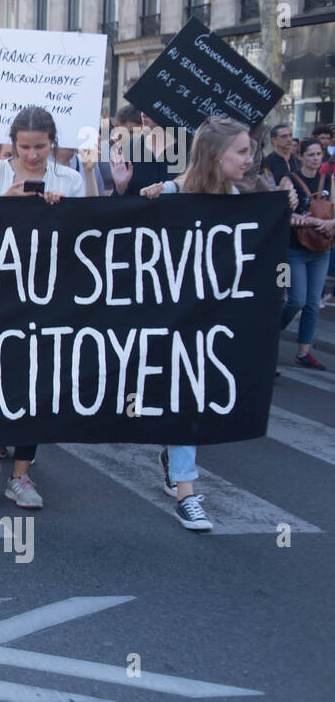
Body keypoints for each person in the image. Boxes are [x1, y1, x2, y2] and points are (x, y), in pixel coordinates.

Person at [0, 106, 99, 509]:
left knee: (38, 379)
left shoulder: (70, 178)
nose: (31, 155)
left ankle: (21, 474)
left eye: (40, 146)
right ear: (12, 144)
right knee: (0, 372)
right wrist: (2, 205)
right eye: (24, 147)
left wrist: (71, 203)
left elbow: (95, 226)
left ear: (52, 142)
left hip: (50, 292)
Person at [139, 118, 268, 531]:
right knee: (185, 398)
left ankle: (174, 462)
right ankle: (187, 493)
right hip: (175, 319)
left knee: (198, 398)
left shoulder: (245, 199)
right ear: (217, 156)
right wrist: (151, 197)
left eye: (250, 151)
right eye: (243, 152)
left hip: (219, 320)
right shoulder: (174, 194)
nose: (250, 160)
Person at [279, 137, 335, 369]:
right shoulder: (289, 179)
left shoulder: (329, 180)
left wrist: (331, 224)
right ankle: (269, 331)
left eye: (318, 154)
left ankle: (304, 352)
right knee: (296, 299)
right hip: (295, 249)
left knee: (312, 302)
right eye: (310, 154)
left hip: (322, 247)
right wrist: (302, 220)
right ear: (300, 156)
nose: (315, 159)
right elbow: (281, 213)